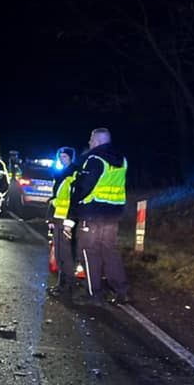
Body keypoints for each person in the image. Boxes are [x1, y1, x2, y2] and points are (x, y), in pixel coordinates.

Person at [68, 127, 130, 302]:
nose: (89, 143)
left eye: (91, 140)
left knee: (89, 252)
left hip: (93, 215)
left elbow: (85, 187)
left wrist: (74, 204)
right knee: (110, 251)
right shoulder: (121, 160)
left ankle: (94, 293)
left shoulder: (95, 159)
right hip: (113, 215)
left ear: (97, 141)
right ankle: (121, 291)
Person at [47, 146, 79, 295]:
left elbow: (73, 200)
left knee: (66, 254)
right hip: (59, 217)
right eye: (60, 156)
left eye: (65, 156)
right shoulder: (61, 174)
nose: (61, 159)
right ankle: (62, 285)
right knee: (60, 254)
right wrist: (51, 217)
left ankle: (68, 286)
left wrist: (70, 221)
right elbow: (56, 198)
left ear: (71, 158)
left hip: (66, 219)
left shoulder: (73, 174)